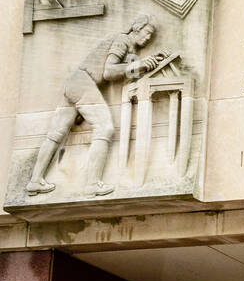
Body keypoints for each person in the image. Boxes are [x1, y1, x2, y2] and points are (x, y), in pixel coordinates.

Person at [27, 16, 165, 197]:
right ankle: (92, 184)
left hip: (75, 82)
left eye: (151, 36)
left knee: (56, 133)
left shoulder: (128, 48)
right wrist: (139, 65)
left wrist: (144, 64)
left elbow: (124, 69)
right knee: (104, 128)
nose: (148, 39)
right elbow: (108, 71)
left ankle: (34, 181)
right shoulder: (122, 40)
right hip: (84, 82)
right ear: (137, 28)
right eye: (147, 33)